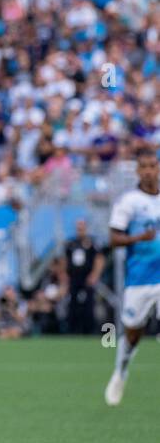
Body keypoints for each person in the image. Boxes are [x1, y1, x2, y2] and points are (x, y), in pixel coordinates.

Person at [105, 148, 160, 406]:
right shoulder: (129, 202)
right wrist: (139, 238)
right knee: (133, 334)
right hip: (139, 278)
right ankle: (121, 371)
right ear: (138, 171)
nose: (149, 171)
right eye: (144, 167)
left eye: (153, 166)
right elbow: (114, 239)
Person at [56, 219, 104, 335]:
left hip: (87, 278)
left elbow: (99, 259)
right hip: (73, 278)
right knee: (72, 303)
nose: (80, 230)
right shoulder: (71, 243)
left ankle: (89, 329)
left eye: (82, 227)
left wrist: (95, 274)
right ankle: (73, 329)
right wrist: (64, 275)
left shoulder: (92, 243)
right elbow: (64, 260)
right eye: (78, 228)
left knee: (89, 303)